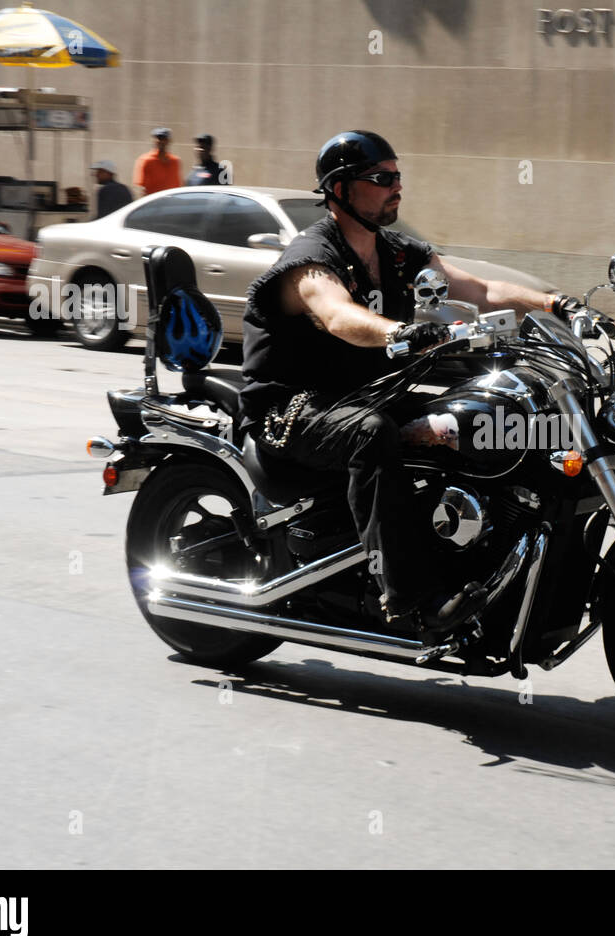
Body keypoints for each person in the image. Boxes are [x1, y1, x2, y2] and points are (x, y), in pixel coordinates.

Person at [240, 130, 579, 634]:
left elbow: (480, 288)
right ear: (339, 189)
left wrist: (558, 305)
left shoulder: (397, 253)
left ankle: (478, 554)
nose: (395, 187)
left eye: (398, 176)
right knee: (371, 433)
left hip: (362, 396)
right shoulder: (311, 257)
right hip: (291, 409)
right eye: (381, 178)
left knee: (481, 416)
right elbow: (338, 316)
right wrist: (401, 332)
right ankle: (409, 598)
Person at [132, 127, 181, 196]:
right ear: (154, 140)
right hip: (154, 204)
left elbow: (177, 186)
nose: (161, 141)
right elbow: (141, 189)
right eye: (159, 138)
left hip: (171, 203)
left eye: (164, 139)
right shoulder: (145, 160)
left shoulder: (175, 161)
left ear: (169, 141)